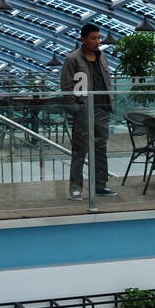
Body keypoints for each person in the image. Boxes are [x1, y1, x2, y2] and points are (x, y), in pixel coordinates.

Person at [60, 23, 117, 199]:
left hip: (102, 109)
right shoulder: (73, 59)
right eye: (93, 38)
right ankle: (75, 188)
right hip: (83, 110)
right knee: (80, 150)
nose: (97, 41)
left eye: (98, 38)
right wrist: (75, 109)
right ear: (83, 39)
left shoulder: (102, 57)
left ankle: (100, 185)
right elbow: (66, 85)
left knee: (100, 148)